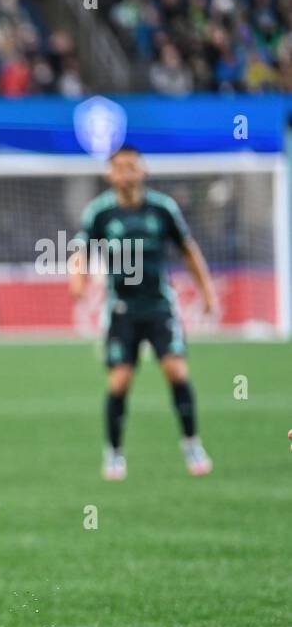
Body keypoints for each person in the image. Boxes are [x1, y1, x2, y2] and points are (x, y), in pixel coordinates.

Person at [69, 145, 217, 480]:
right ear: (109, 174)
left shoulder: (163, 209)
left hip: (159, 306)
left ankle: (192, 443)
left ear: (143, 170)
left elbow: (187, 249)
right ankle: (114, 453)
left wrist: (207, 290)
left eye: (131, 166)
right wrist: (77, 280)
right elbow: (80, 249)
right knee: (119, 382)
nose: (125, 172)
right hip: (121, 309)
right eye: (119, 167)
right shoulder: (100, 212)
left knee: (177, 372)